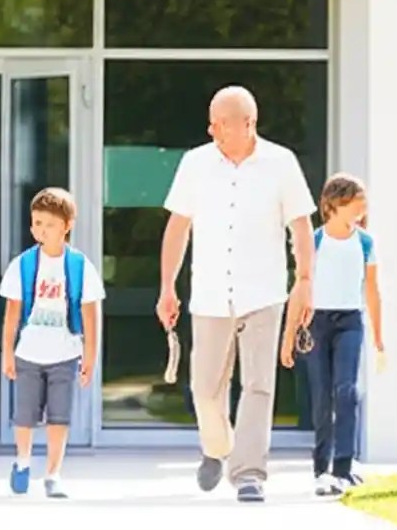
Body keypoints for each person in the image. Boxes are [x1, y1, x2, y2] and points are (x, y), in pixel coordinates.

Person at [157, 85, 316, 504]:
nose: (212, 130)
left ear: (248, 124)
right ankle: (217, 447)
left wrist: (305, 281)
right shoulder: (196, 163)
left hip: (263, 291)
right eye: (211, 123)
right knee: (205, 388)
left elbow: (300, 227)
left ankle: (249, 473)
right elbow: (178, 227)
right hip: (210, 292)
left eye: (220, 125)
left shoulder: (281, 163)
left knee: (259, 385)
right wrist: (167, 286)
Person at [281, 173, 383, 496]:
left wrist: (379, 337)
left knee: (347, 391)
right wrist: (288, 339)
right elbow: (299, 290)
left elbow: (372, 291)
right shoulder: (315, 241)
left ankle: (344, 467)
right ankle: (321, 469)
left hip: (350, 321)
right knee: (322, 395)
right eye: (357, 202)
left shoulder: (365, 242)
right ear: (334, 205)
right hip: (316, 322)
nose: (362, 208)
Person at [1, 187, 104, 499]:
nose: (40, 230)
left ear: (66, 225)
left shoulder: (79, 266)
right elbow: (12, 315)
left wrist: (89, 357)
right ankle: (22, 460)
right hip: (29, 353)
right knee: (25, 415)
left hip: (65, 353)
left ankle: (53, 473)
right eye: (36, 223)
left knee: (60, 416)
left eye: (48, 223)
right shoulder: (23, 265)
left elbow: (90, 315)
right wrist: (7, 352)